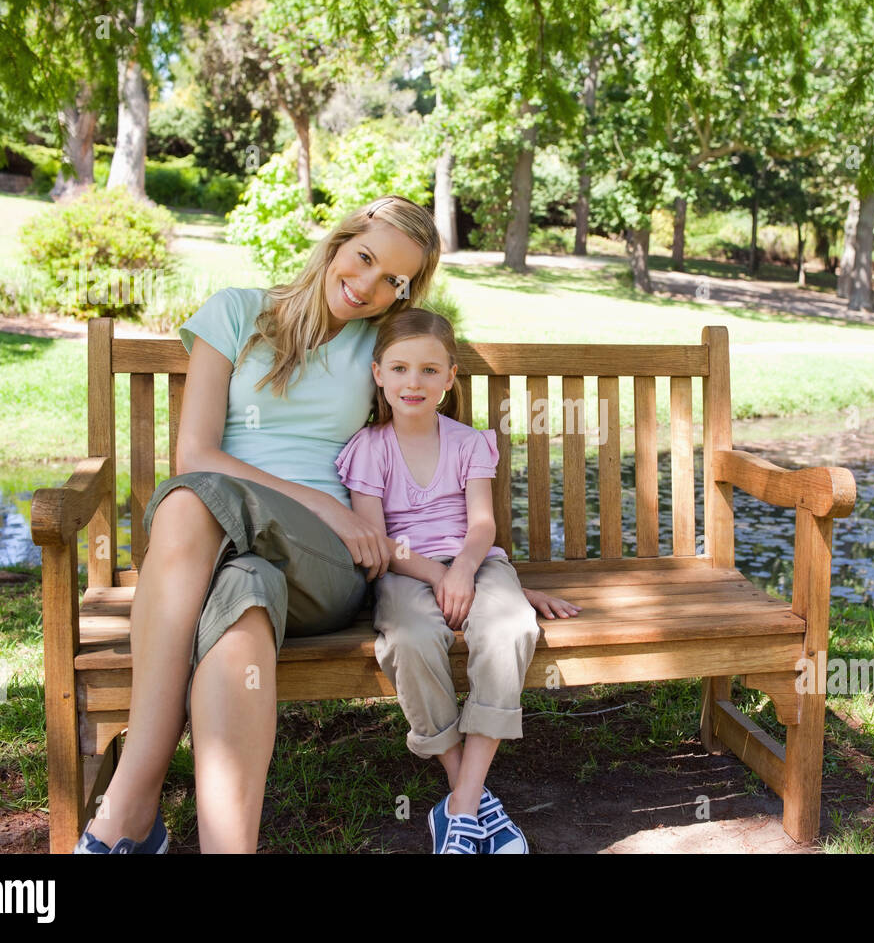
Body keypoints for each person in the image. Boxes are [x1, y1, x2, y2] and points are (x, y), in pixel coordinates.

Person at [73, 196, 572, 854]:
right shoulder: (235, 312)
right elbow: (196, 455)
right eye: (364, 257)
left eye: (392, 280)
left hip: (329, 561)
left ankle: (129, 805)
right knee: (241, 600)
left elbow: (423, 457)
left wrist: (487, 572)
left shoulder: (381, 349)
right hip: (224, 554)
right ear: (342, 239)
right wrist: (322, 502)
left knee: (191, 503)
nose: (367, 286)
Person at [336, 308, 580, 853]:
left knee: (511, 627)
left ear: (450, 378)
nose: (413, 382)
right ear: (378, 374)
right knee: (412, 639)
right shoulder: (369, 448)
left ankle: (462, 806)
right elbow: (378, 541)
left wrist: (467, 570)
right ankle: (465, 792)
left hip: (474, 564)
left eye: (429, 370)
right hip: (405, 571)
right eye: (399, 369)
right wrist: (439, 575)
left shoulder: (470, 443)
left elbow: (482, 526)